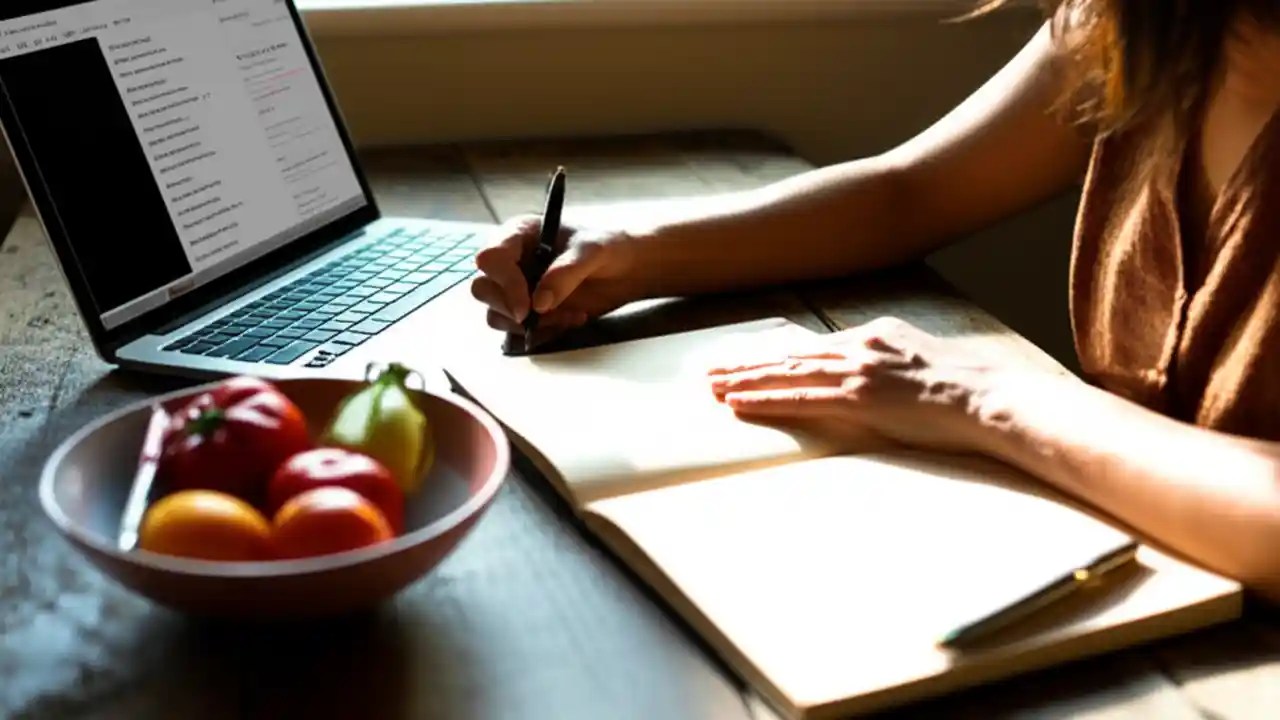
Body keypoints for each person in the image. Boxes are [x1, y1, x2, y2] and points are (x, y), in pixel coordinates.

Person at [468, 2, 1280, 600]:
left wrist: (989, 400)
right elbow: (913, 192)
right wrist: (631, 254)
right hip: (1140, 568)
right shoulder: (1144, 24)